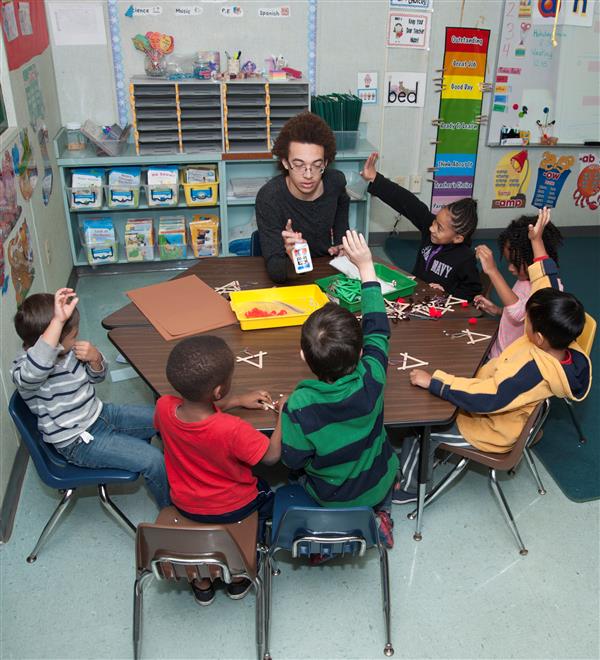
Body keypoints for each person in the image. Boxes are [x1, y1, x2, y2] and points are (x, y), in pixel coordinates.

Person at [392, 213, 590, 503]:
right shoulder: (555, 346)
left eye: (528, 322)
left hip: (491, 428)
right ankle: (425, 459)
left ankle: (409, 489)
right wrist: (536, 242)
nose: (525, 322)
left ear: (539, 337)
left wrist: (436, 381)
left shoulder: (533, 371)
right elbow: (548, 279)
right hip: (496, 405)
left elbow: (489, 398)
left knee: (421, 427)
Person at [280, 230, 398, 549]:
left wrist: (282, 413)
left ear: (304, 356)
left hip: (330, 496)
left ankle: (327, 534)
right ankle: (380, 514)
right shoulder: (373, 375)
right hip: (378, 482)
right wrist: (366, 267)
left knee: (290, 479)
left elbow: (292, 460)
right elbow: (378, 329)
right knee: (384, 462)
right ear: (360, 353)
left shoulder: (300, 405)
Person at [154, 335, 284, 606]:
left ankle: (201, 583)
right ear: (217, 391)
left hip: (186, 505)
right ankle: (239, 576)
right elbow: (271, 456)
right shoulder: (232, 429)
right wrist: (285, 416)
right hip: (234, 507)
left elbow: (195, 411)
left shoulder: (163, 407)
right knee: (267, 492)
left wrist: (236, 399)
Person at [11, 288, 170, 508]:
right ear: (52, 338)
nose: (76, 338)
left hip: (100, 414)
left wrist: (96, 359)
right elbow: (38, 368)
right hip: (77, 442)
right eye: (72, 335)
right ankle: (171, 510)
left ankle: (187, 472)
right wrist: (57, 321)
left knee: (167, 416)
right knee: (154, 461)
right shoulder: (25, 370)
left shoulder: (67, 353)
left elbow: (97, 378)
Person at [360, 152, 481, 300]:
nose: (431, 228)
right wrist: (375, 178)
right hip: (415, 295)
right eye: (435, 221)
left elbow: (472, 291)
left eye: (439, 228)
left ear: (457, 238)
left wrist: (448, 291)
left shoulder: (466, 259)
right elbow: (408, 202)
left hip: (439, 307)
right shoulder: (431, 228)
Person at [255, 112, 350, 283]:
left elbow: (342, 205)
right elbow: (275, 270)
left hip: (326, 270)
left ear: (326, 163)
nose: (308, 175)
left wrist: (341, 242)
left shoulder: (335, 182)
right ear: (285, 162)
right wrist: (295, 259)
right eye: (299, 165)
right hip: (290, 276)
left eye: (317, 165)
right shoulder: (269, 198)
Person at [474, 207, 563, 358]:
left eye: (515, 263)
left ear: (532, 259)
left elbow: (518, 314)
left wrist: (493, 271)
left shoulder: (550, 290)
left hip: (509, 362)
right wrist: (498, 310)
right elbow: (522, 312)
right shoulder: (524, 281)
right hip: (499, 350)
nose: (510, 268)